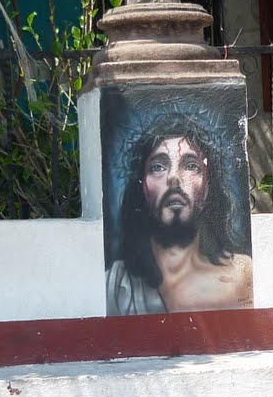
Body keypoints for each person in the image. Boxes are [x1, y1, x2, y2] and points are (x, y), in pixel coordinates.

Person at [106, 113, 253, 315]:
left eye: (191, 165)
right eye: (158, 167)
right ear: (142, 187)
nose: (174, 178)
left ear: (208, 187)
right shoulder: (115, 286)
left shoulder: (241, 273)